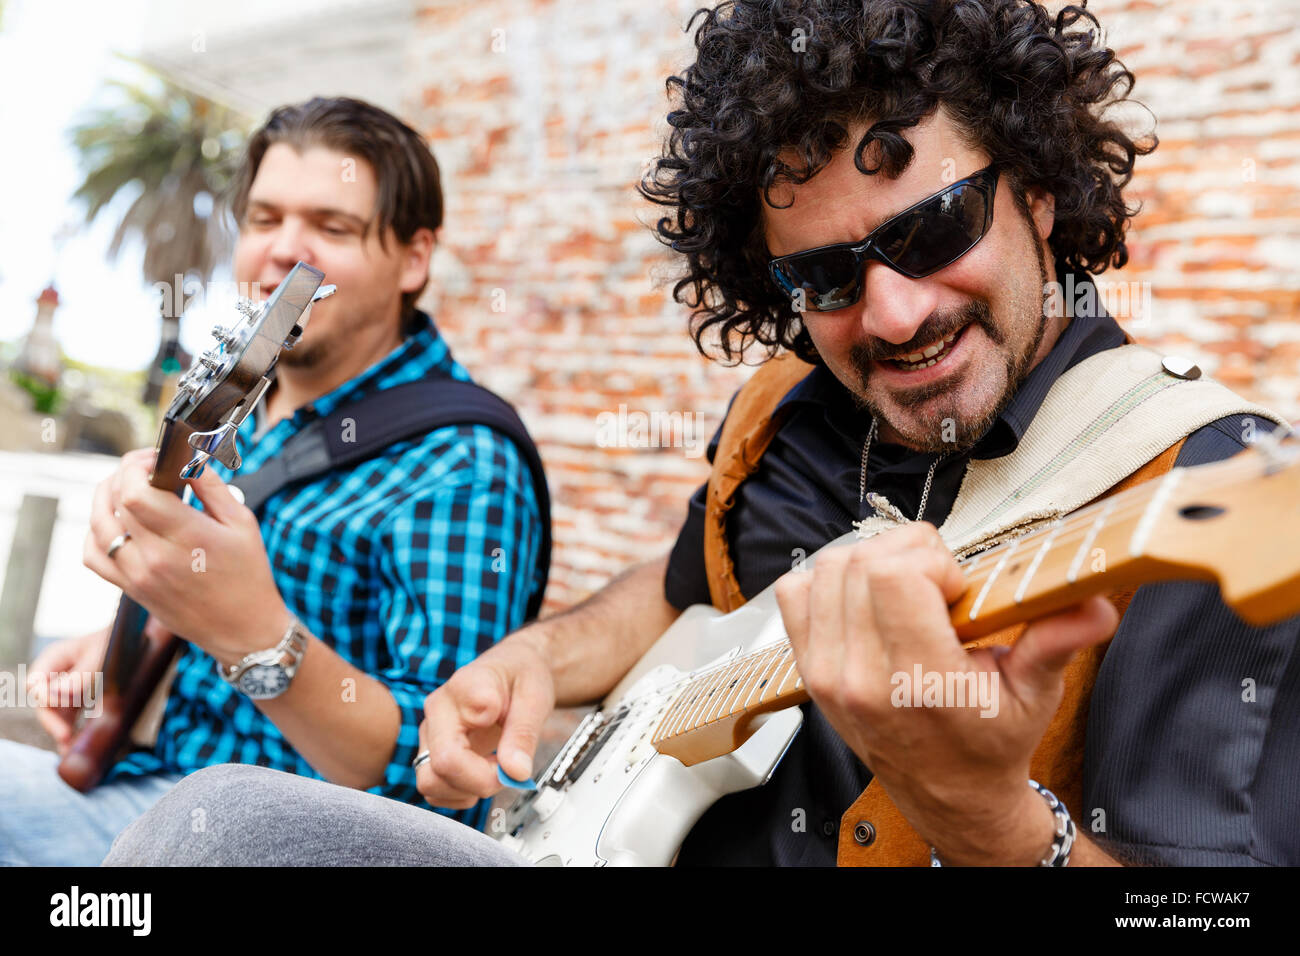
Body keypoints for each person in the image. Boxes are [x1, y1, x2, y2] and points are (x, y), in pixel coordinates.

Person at [106, 0, 1298, 867]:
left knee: (222, 830)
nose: (892, 313)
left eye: (932, 228)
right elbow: (687, 589)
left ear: (1037, 190)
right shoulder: (791, 405)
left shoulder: (1197, 474)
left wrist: (987, 818)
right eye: (825, 276)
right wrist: (536, 657)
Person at [2, 97, 547, 867]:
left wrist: (260, 639)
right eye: (264, 220)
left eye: (333, 227)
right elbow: (208, 606)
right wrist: (118, 646)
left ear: (414, 258)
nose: (284, 250)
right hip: (146, 786)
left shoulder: (465, 464)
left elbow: (437, 790)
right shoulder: (242, 410)